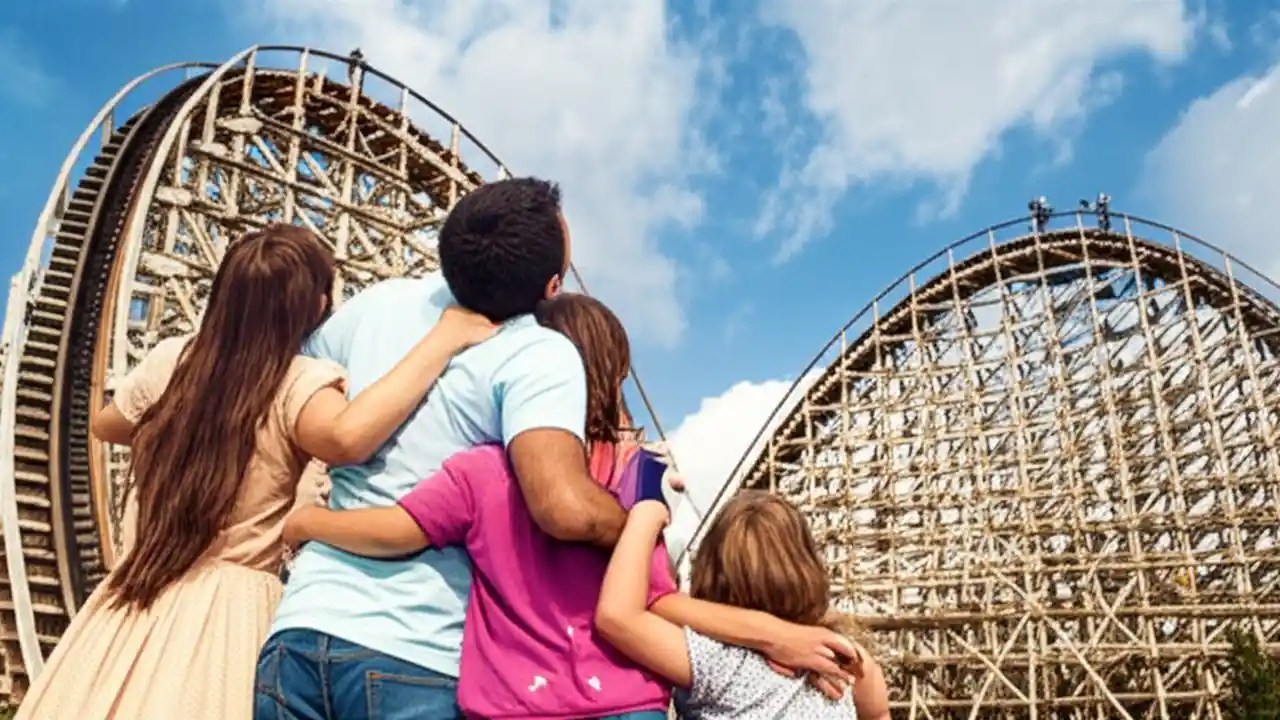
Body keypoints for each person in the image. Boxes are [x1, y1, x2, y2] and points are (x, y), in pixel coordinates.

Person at [256, 178, 859, 719]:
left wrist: (308, 515)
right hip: (428, 653)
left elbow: (284, 388)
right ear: (547, 289)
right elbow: (604, 551)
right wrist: (639, 522)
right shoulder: (579, 419)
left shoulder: (382, 315)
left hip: (314, 623)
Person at [14, 224, 495, 720]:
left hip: (131, 599)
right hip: (229, 614)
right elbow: (349, 438)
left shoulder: (172, 362)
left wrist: (191, 419)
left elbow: (106, 424)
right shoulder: (297, 383)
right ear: (315, 305)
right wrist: (444, 338)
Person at [597, 492, 893, 719]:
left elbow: (618, 615)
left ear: (710, 570)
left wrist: (646, 515)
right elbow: (879, 712)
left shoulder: (722, 663)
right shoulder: (846, 659)